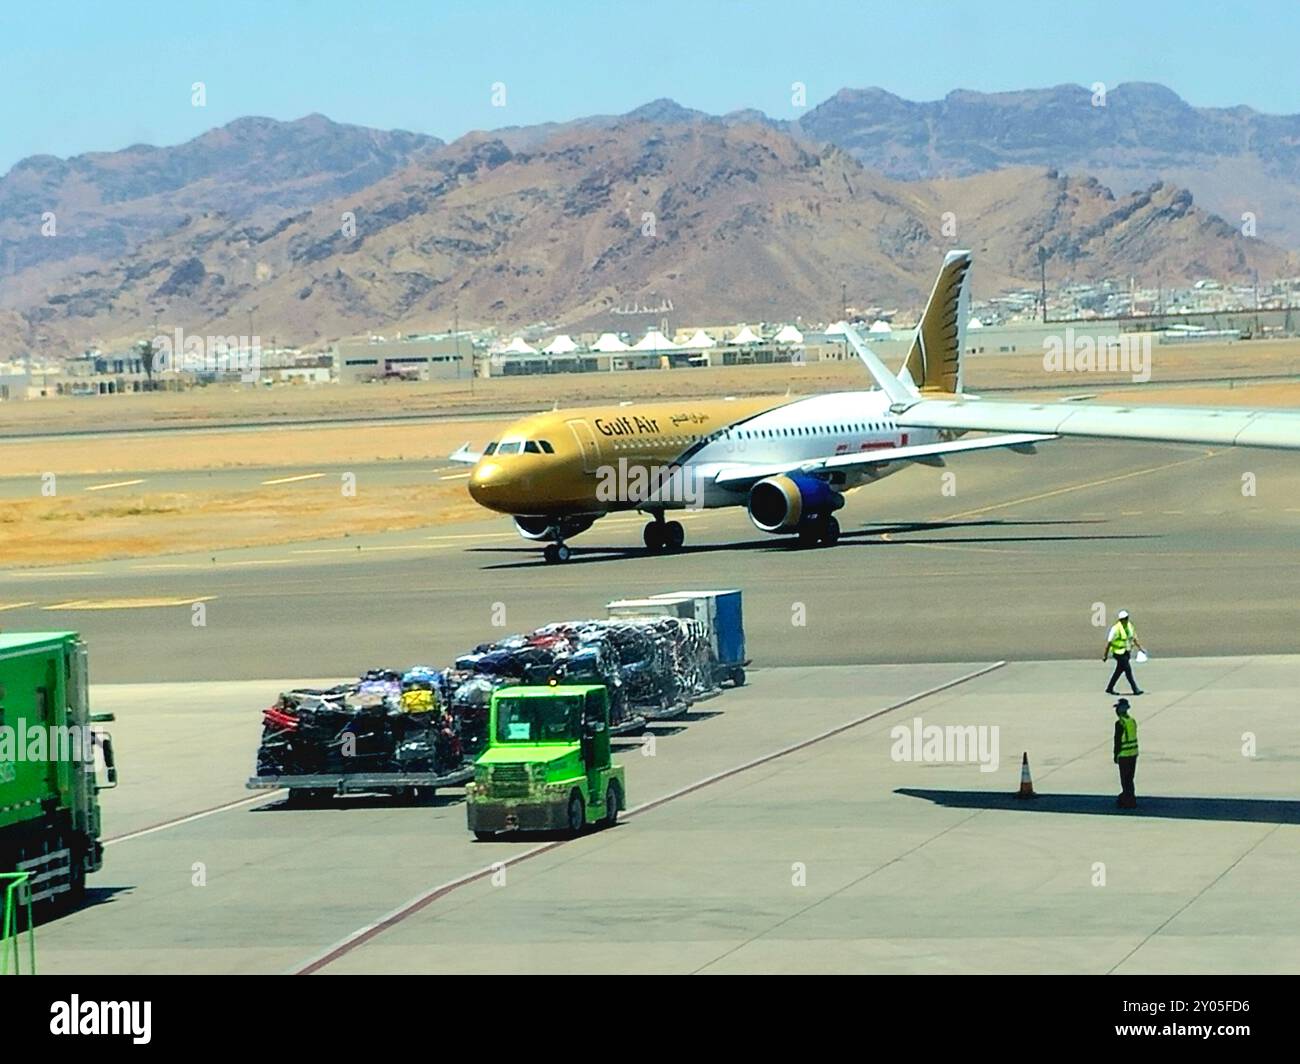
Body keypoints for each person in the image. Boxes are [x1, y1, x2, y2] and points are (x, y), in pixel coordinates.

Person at [1103, 609, 1144, 695]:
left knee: (1119, 671)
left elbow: (1133, 637)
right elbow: (1109, 642)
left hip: (1126, 652)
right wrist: (1105, 655)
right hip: (1118, 653)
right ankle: (1135, 689)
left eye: (1126, 618)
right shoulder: (1115, 629)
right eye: (1123, 619)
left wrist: (1140, 648)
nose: (1125, 620)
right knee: (1128, 670)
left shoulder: (1129, 626)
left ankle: (1109, 688)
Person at [1113, 698, 1139, 808]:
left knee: (1125, 780)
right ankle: (1130, 798)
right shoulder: (1132, 721)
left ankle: (1127, 800)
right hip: (1134, 753)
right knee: (1130, 779)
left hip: (1124, 755)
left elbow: (1117, 741)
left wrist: (1115, 755)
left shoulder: (1120, 723)